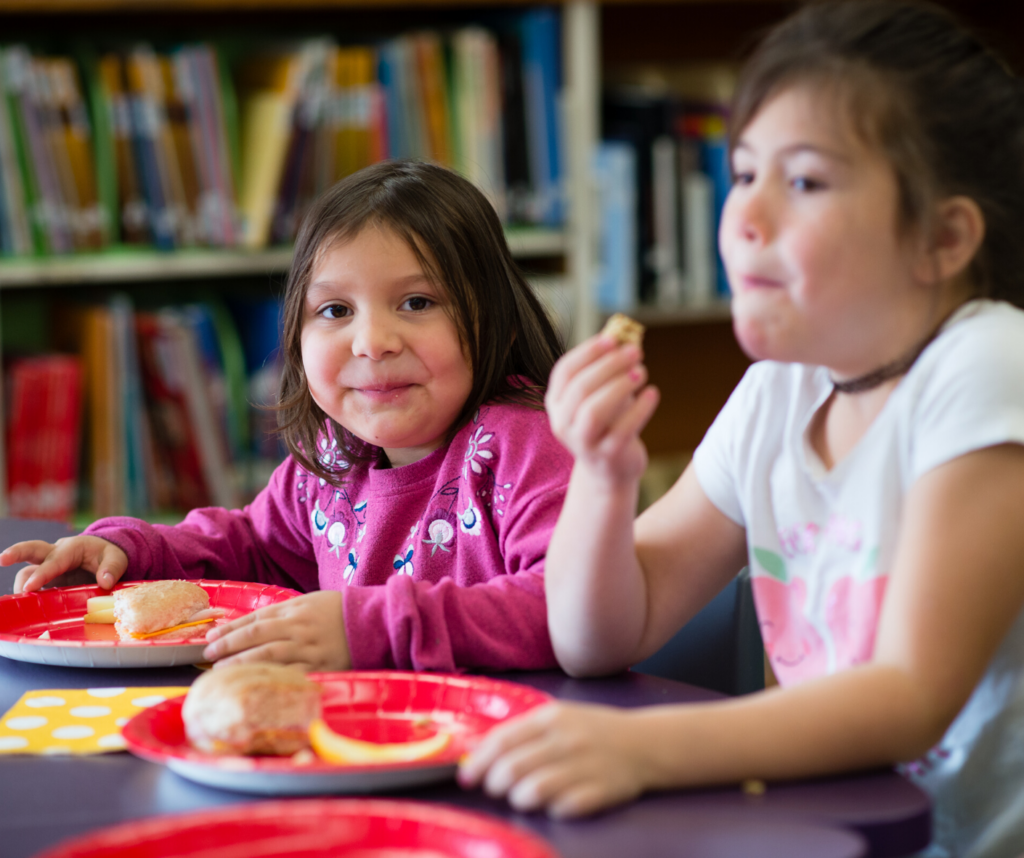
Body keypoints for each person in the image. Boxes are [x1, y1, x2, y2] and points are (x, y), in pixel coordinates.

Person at [457, 3, 1024, 856]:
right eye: (743, 172)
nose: (744, 217)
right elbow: (598, 636)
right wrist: (602, 479)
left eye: (802, 182)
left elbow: (909, 696)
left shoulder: (987, 365)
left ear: (942, 238)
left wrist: (641, 750)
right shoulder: (779, 393)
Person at [2, 160, 573, 675]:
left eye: (417, 303)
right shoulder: (334, 454)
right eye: (335, 310)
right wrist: (131, 551)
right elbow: (253, 547)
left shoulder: (526, 445)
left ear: (500, 316)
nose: (371, 342)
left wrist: (365, 629)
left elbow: (566, 605)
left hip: (499, 752)